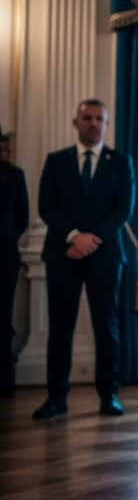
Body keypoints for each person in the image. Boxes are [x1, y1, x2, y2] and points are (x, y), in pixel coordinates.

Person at [34, 100, 135, 419]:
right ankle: (56, 397)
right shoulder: (56, 161)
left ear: (107, 125)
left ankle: (109, 396)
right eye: (87, 118)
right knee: (60, 328)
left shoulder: (121, 162)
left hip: (105, 256)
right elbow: (47, 206)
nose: (93, 124)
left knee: (107, 328)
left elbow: (123, 209)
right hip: (63, 253)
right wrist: (73, 237)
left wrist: (91, 241)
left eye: (99, 119)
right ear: (75, 122)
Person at [0, 132, 29, 397]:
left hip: (5, 253)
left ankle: (4, 381)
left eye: (6, 141)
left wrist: (7, 236)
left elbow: (23, 217)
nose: (4, 146)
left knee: (3, 316)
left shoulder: (15, 176)